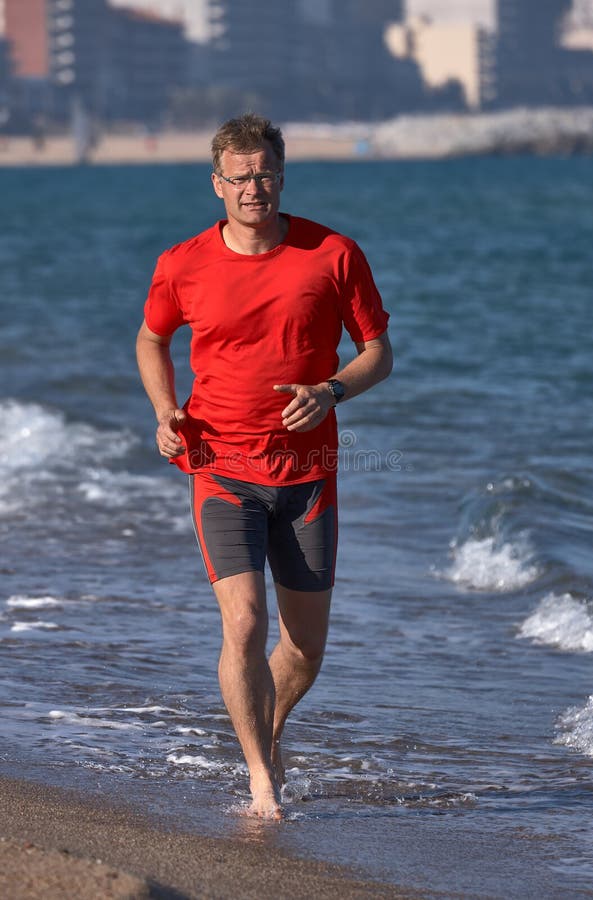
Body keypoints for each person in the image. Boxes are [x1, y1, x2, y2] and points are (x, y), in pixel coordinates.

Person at [136, 113, 392, 820]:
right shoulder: (182, 264)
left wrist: (332, 389)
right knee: (244, 624)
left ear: (282, 174)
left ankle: (265, 736)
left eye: (267, 173)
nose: (256, 188)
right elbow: (151, 340)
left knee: (305, 648)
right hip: (220, 468)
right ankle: (259, 780)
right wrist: (165, 412)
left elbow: (378, 352)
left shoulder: (333, 254)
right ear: (217, 183)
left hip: (308, 477)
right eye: (242, 177)